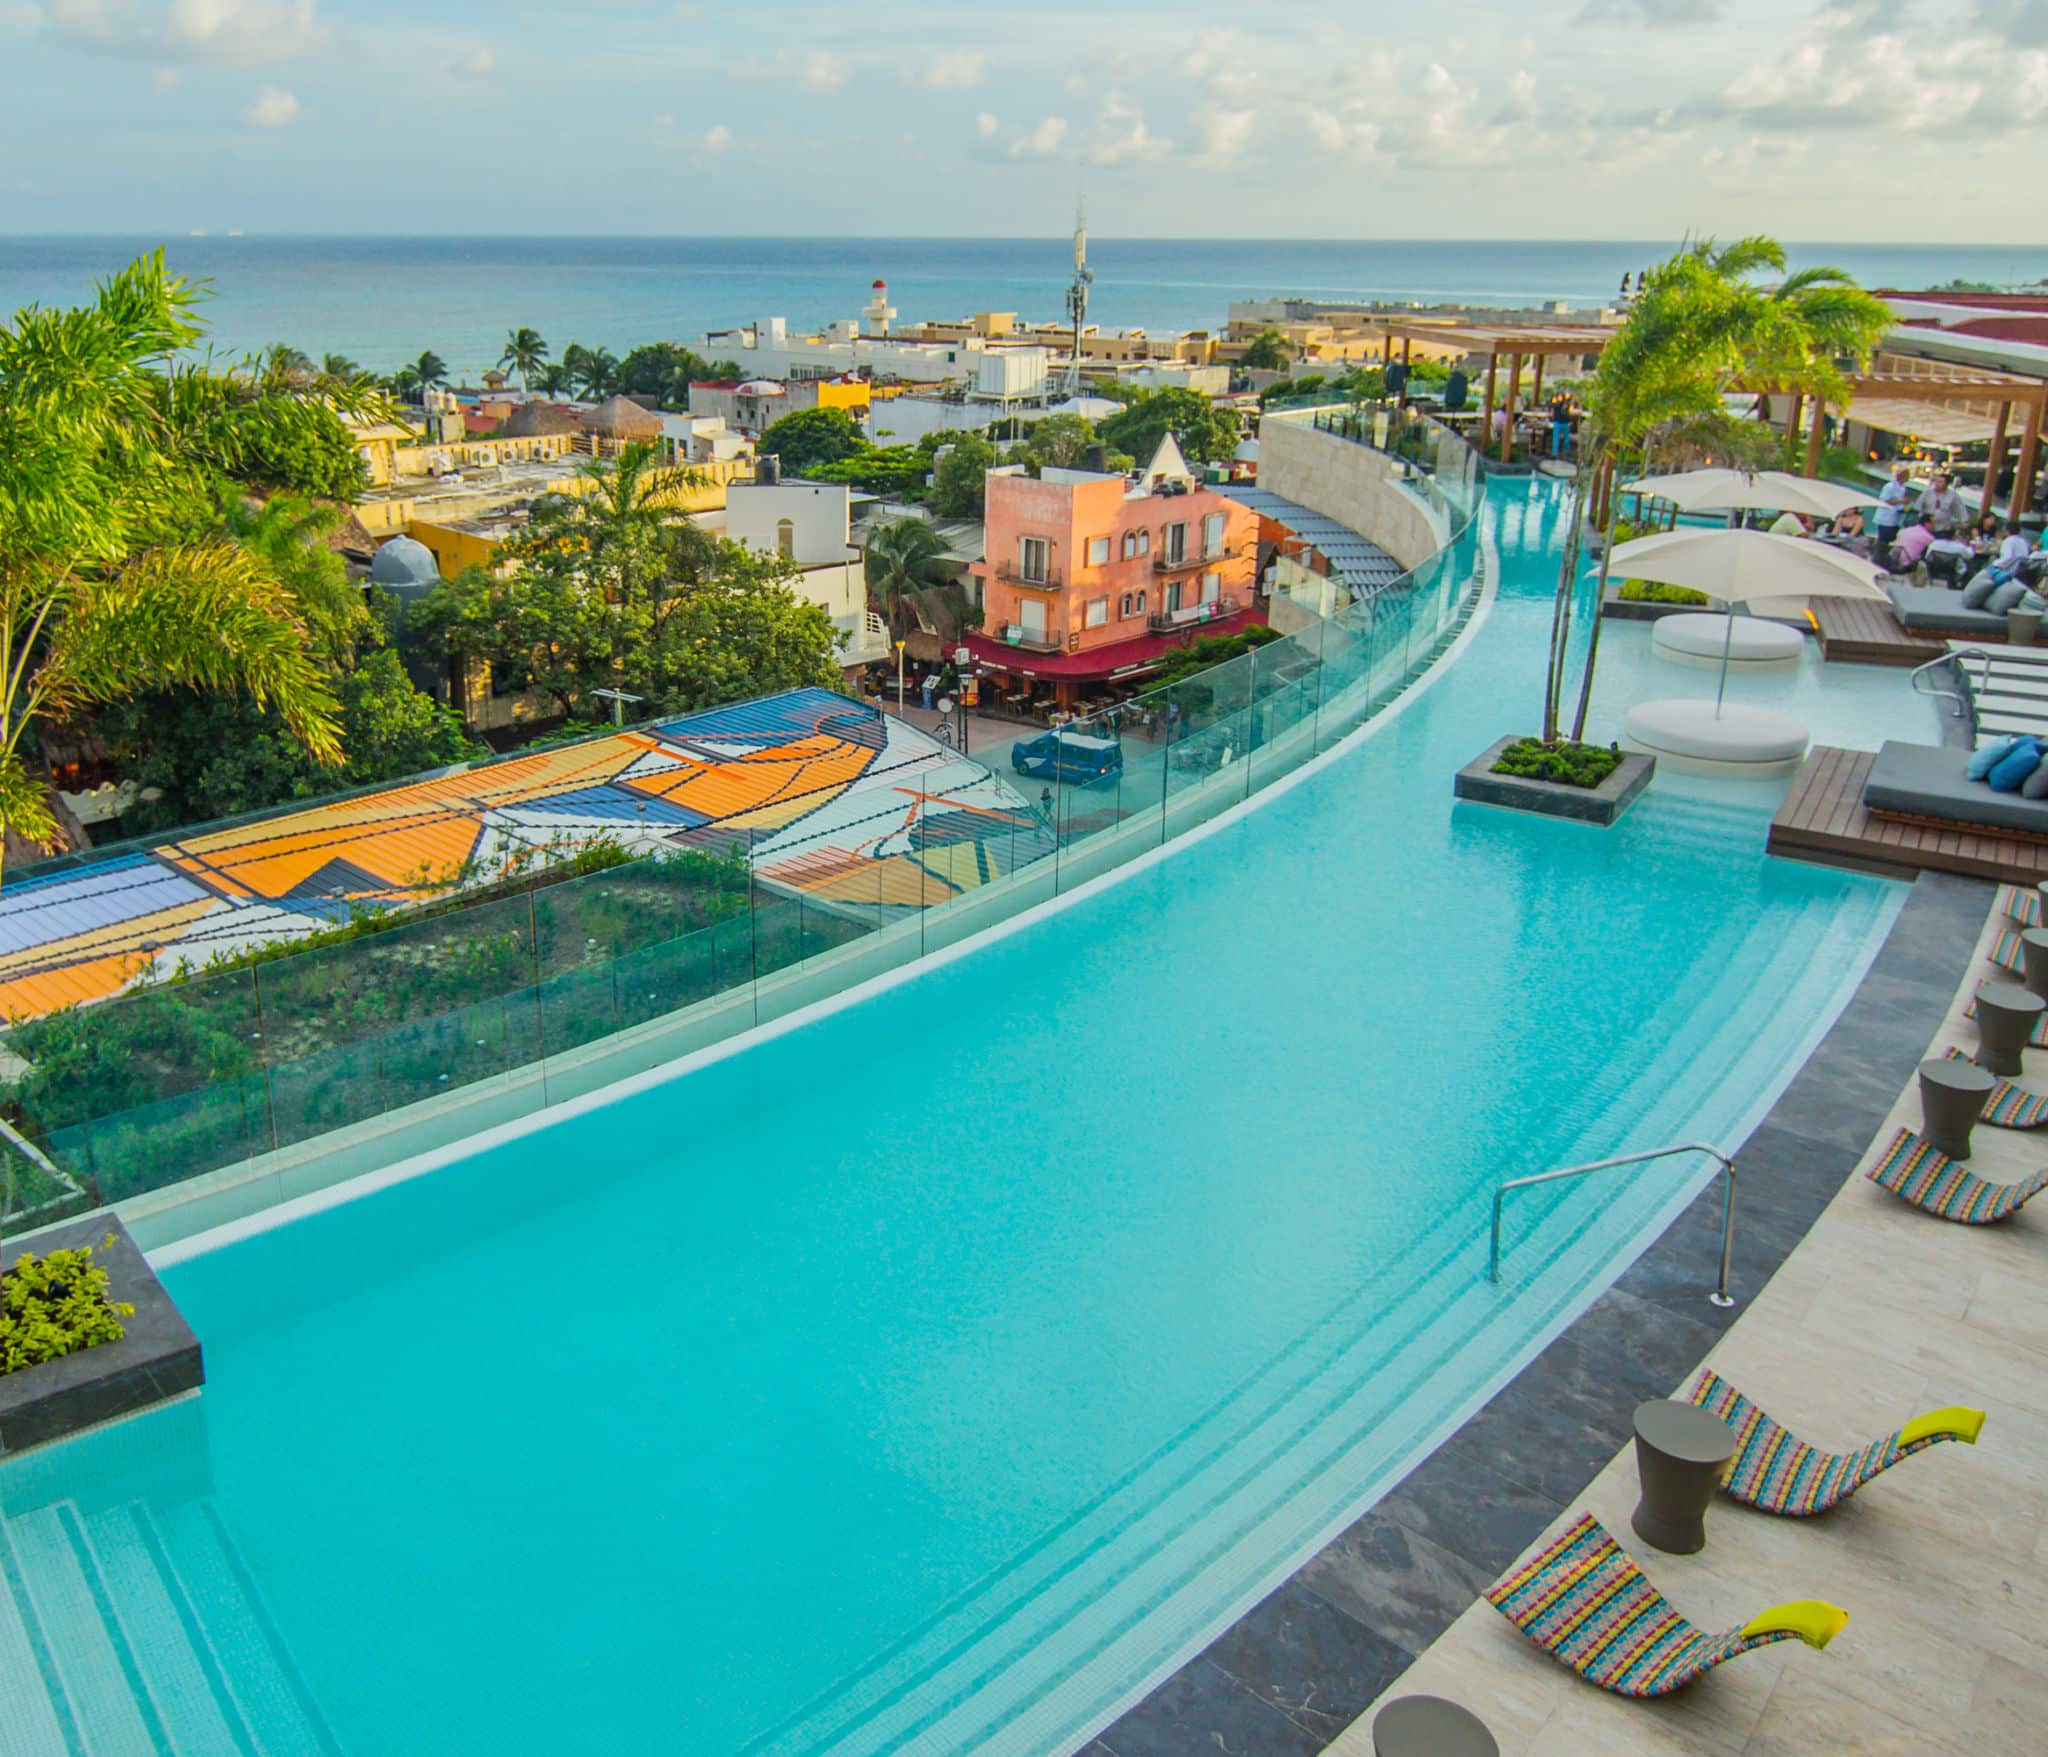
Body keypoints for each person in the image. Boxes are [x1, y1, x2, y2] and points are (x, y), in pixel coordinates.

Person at [1915, 470, 1965, 536]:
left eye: (1940, 482)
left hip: (1942, 529)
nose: (1937, 483)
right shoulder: (1927, 493)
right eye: (1936, 481)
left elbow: (1960, 511)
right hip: (1926, 527)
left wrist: (1962, 522)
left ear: (1947, 484)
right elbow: (1918, 507)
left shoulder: (1953, 496)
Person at [1873, 464, 1911, 548]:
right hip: (1885, 517)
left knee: (1890, 539)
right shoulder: (1889, 487)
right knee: (1883, 539)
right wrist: (1901, 501)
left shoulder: (1903, 488)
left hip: (1895, 518)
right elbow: (1885, 501)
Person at [1548, 391, 1573, 458]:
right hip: (1565, 423)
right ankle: (1566, 452)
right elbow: (1570, 412)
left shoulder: (1555, 403)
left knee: (1556, 438)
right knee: (1566, 438)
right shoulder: (1567, 403)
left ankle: (1555, 453)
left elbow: (1552, 414)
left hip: (1557, 422)